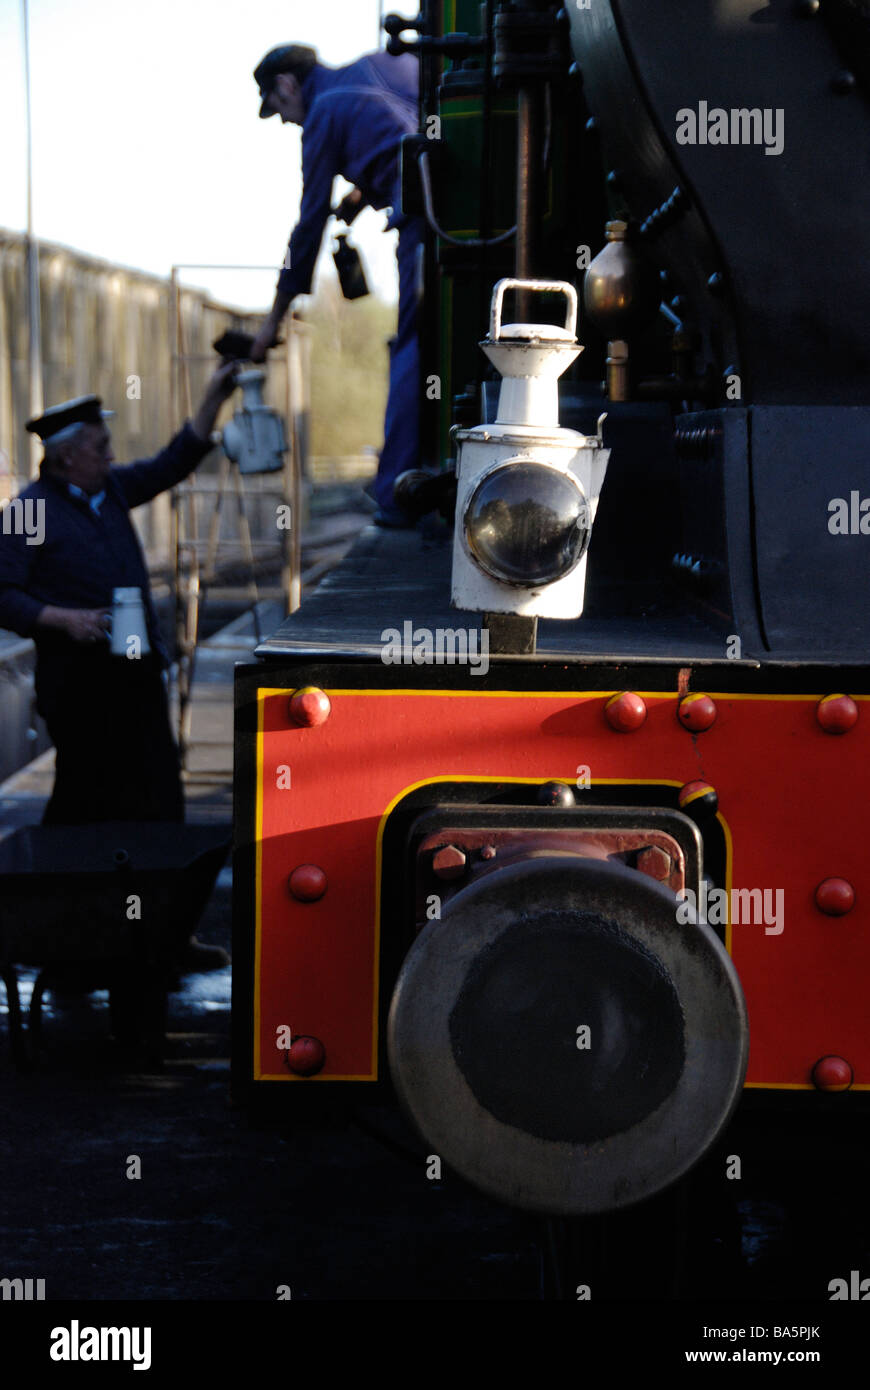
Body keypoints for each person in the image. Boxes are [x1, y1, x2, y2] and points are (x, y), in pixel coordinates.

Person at [0, 363, 238, 829]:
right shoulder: (30, 510)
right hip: (79, 685)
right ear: (67, 456)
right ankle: (68, 887)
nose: (111, 456)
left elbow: (173, 462)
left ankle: (157, 883)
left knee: (157, 789)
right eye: (101, 446)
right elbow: (1, 592)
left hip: (136, 675)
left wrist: (213, 397)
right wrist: (62, 619)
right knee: (88, 795)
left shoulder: (110, 489)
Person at [250, 43, 423, 526]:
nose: (286, 121)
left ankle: (395, 493)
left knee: (411, 343)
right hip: (465, 193)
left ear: (287, 84)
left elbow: (306, 232)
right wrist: (363, 195)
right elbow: (403, 130)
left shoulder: (323, 111)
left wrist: (271, 322)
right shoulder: (384, 63)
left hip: (425, 219)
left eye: (279, 107)